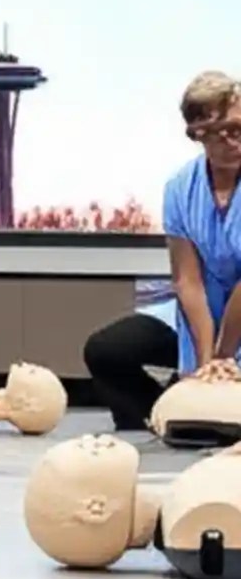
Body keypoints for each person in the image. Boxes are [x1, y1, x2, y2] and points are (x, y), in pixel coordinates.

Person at [85, 70, 241, 430]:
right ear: (198, 133)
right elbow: (188, 280)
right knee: (106, 350)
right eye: (222, 132)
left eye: (239, 129)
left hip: (238, 313)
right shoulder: (179, 188)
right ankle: (164, 417)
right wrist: (205, 365)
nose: (233, 141)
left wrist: (222, 358)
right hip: (197, 313)